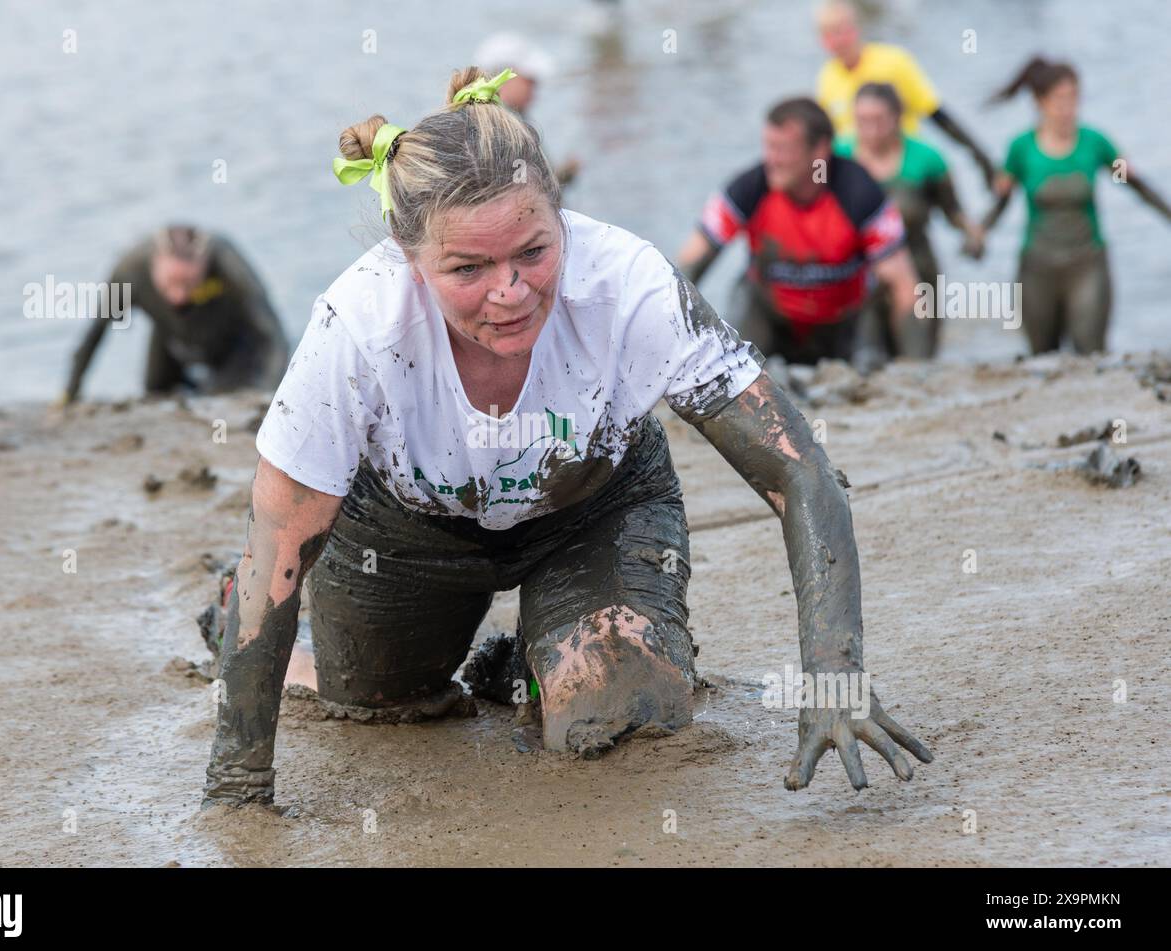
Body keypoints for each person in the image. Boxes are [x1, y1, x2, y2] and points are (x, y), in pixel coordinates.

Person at [203, 67, 931, 809]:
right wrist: (237, 789)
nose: (510, 292)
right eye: (468, 268)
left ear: (560, 215)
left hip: (593, 507)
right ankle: (280, 637)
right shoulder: (357, 323)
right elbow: (276, 552)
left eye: (532, 251)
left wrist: (836, 677)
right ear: (410, 257)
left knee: (620, 715)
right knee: (380, 704)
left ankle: (534, 659)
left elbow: (802, 473)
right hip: (406, 530)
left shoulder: (629, 282)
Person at [675, 97, 921, 365]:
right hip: (773, 319)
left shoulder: (859, 192)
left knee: (874, 345)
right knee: (742, 300)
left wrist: (914, 367)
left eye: (783, 149)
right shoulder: (748, 188)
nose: (772, 160)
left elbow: (903, 285)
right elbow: (687, 268)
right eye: (769, 147)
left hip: (843, 323)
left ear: (820, 150)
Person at [982, 57, 1171, 355]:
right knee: (1041, 356)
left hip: (1087, 262)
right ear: (1039, 102)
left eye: (1073, 98)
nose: (1067, 108)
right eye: (1059, 99)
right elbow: (1001, 202)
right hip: (1037, 265)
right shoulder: (1021, 149)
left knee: (1091, 352)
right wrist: (979, 232)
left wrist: (1133, 179)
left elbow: (1133, 183)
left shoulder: (1095, 143)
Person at [835, 83, 984, 361]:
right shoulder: (837, 158)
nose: (872, 129)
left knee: (919, 359)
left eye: (879, 120)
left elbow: (952, 211)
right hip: (859, 272)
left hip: (918, 264)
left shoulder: (927, 159)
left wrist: (971, 233)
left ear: (897, 117)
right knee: (864, 358)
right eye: (863, 121)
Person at [61, 226, 289, 402]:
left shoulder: (226, 262)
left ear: (204, 265)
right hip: (170, 337)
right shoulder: (131, 271)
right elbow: (95, 334)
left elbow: (273, 335)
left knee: (224, 399)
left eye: (189, 283)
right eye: (171, 283)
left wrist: (270, 394)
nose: (179, 296)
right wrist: (69, 395)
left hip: (233, 345)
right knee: (155, 395)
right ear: (155, 265)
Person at [815, 0, 997, 190]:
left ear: (856, 29)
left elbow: (935, 113)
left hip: (901, 166)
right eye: (829, 35)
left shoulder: (894, 61)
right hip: (856, 169)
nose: (838, 41)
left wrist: (979, 156)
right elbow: (827, 138)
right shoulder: (827, 77)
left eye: (841, 31)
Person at [474, 32, 580, 187]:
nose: (534, 93)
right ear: (503, 78)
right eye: (530, 82)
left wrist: (564, 177)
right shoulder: (505, 129)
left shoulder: (502, 118)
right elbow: (521, 192)